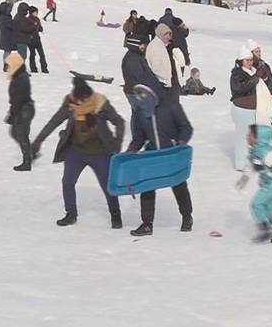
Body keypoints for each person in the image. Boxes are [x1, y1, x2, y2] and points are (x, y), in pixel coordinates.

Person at [31, 77, 128, 228]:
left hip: (99, 153)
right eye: (75, 99)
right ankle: (71, 214)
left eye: (80, 100)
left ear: (87, 97)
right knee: (67, 182)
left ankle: (115, 214)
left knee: (107, 185)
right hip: (75, 152)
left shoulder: (100, 104)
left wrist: (117, 143)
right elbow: (54, 121)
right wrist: (38, 141)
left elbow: (119, 121)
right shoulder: (70, 103)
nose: (77, 103)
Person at [126, 87, 195, 236]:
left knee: (179, 185)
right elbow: (139, 137)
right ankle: (146, 224)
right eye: (138, 96)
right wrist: (131, 151)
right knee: (147, 186)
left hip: (171, 152)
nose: (141, 98)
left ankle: (187, 217)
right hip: (153, 155)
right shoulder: (140, 112)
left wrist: (180, 142)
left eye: (143, 94)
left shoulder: (170, 105)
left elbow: (186, 127)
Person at [230, 44, 261, 170]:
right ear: (240, 60)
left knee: (254, 138)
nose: (250, 62)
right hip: (241, 110)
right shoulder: (237, 74)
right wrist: (254, 80)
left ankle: (252, 161)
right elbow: (239, 88)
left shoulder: (253, 72)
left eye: (251, 60)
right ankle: (240, 163)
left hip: (254, 110)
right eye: (247, 60)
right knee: (242, 137)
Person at [5, 51, 35, 171]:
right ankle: (30, 152)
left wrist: (13, 113)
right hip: (21, 109)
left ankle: (27, 161)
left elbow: (19, 98)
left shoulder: (20, 78)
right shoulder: (19, 75)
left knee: (21, 135)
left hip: (24, 110)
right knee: (15, 132)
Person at [25, 5, 49, 74]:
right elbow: (27, 29)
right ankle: (33, 68)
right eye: (35, 12)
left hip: (37, 39)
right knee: (33, 54)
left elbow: (39, 27)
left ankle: (44, 68)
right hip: (30, 40)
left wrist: (40, 28)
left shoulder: (37, 19)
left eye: (37, 12)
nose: (36, 13)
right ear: (31, 12)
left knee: (42, 54)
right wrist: (34, 26)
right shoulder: (27, 19)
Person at [0, 1, 14, 71]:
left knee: (7, 51)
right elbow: (10, 25)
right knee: (7, 51)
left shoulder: (4, 16)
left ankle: (7, 64)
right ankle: (6, 65)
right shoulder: (4, 17)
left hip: (6, 36)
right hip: (7, 37)